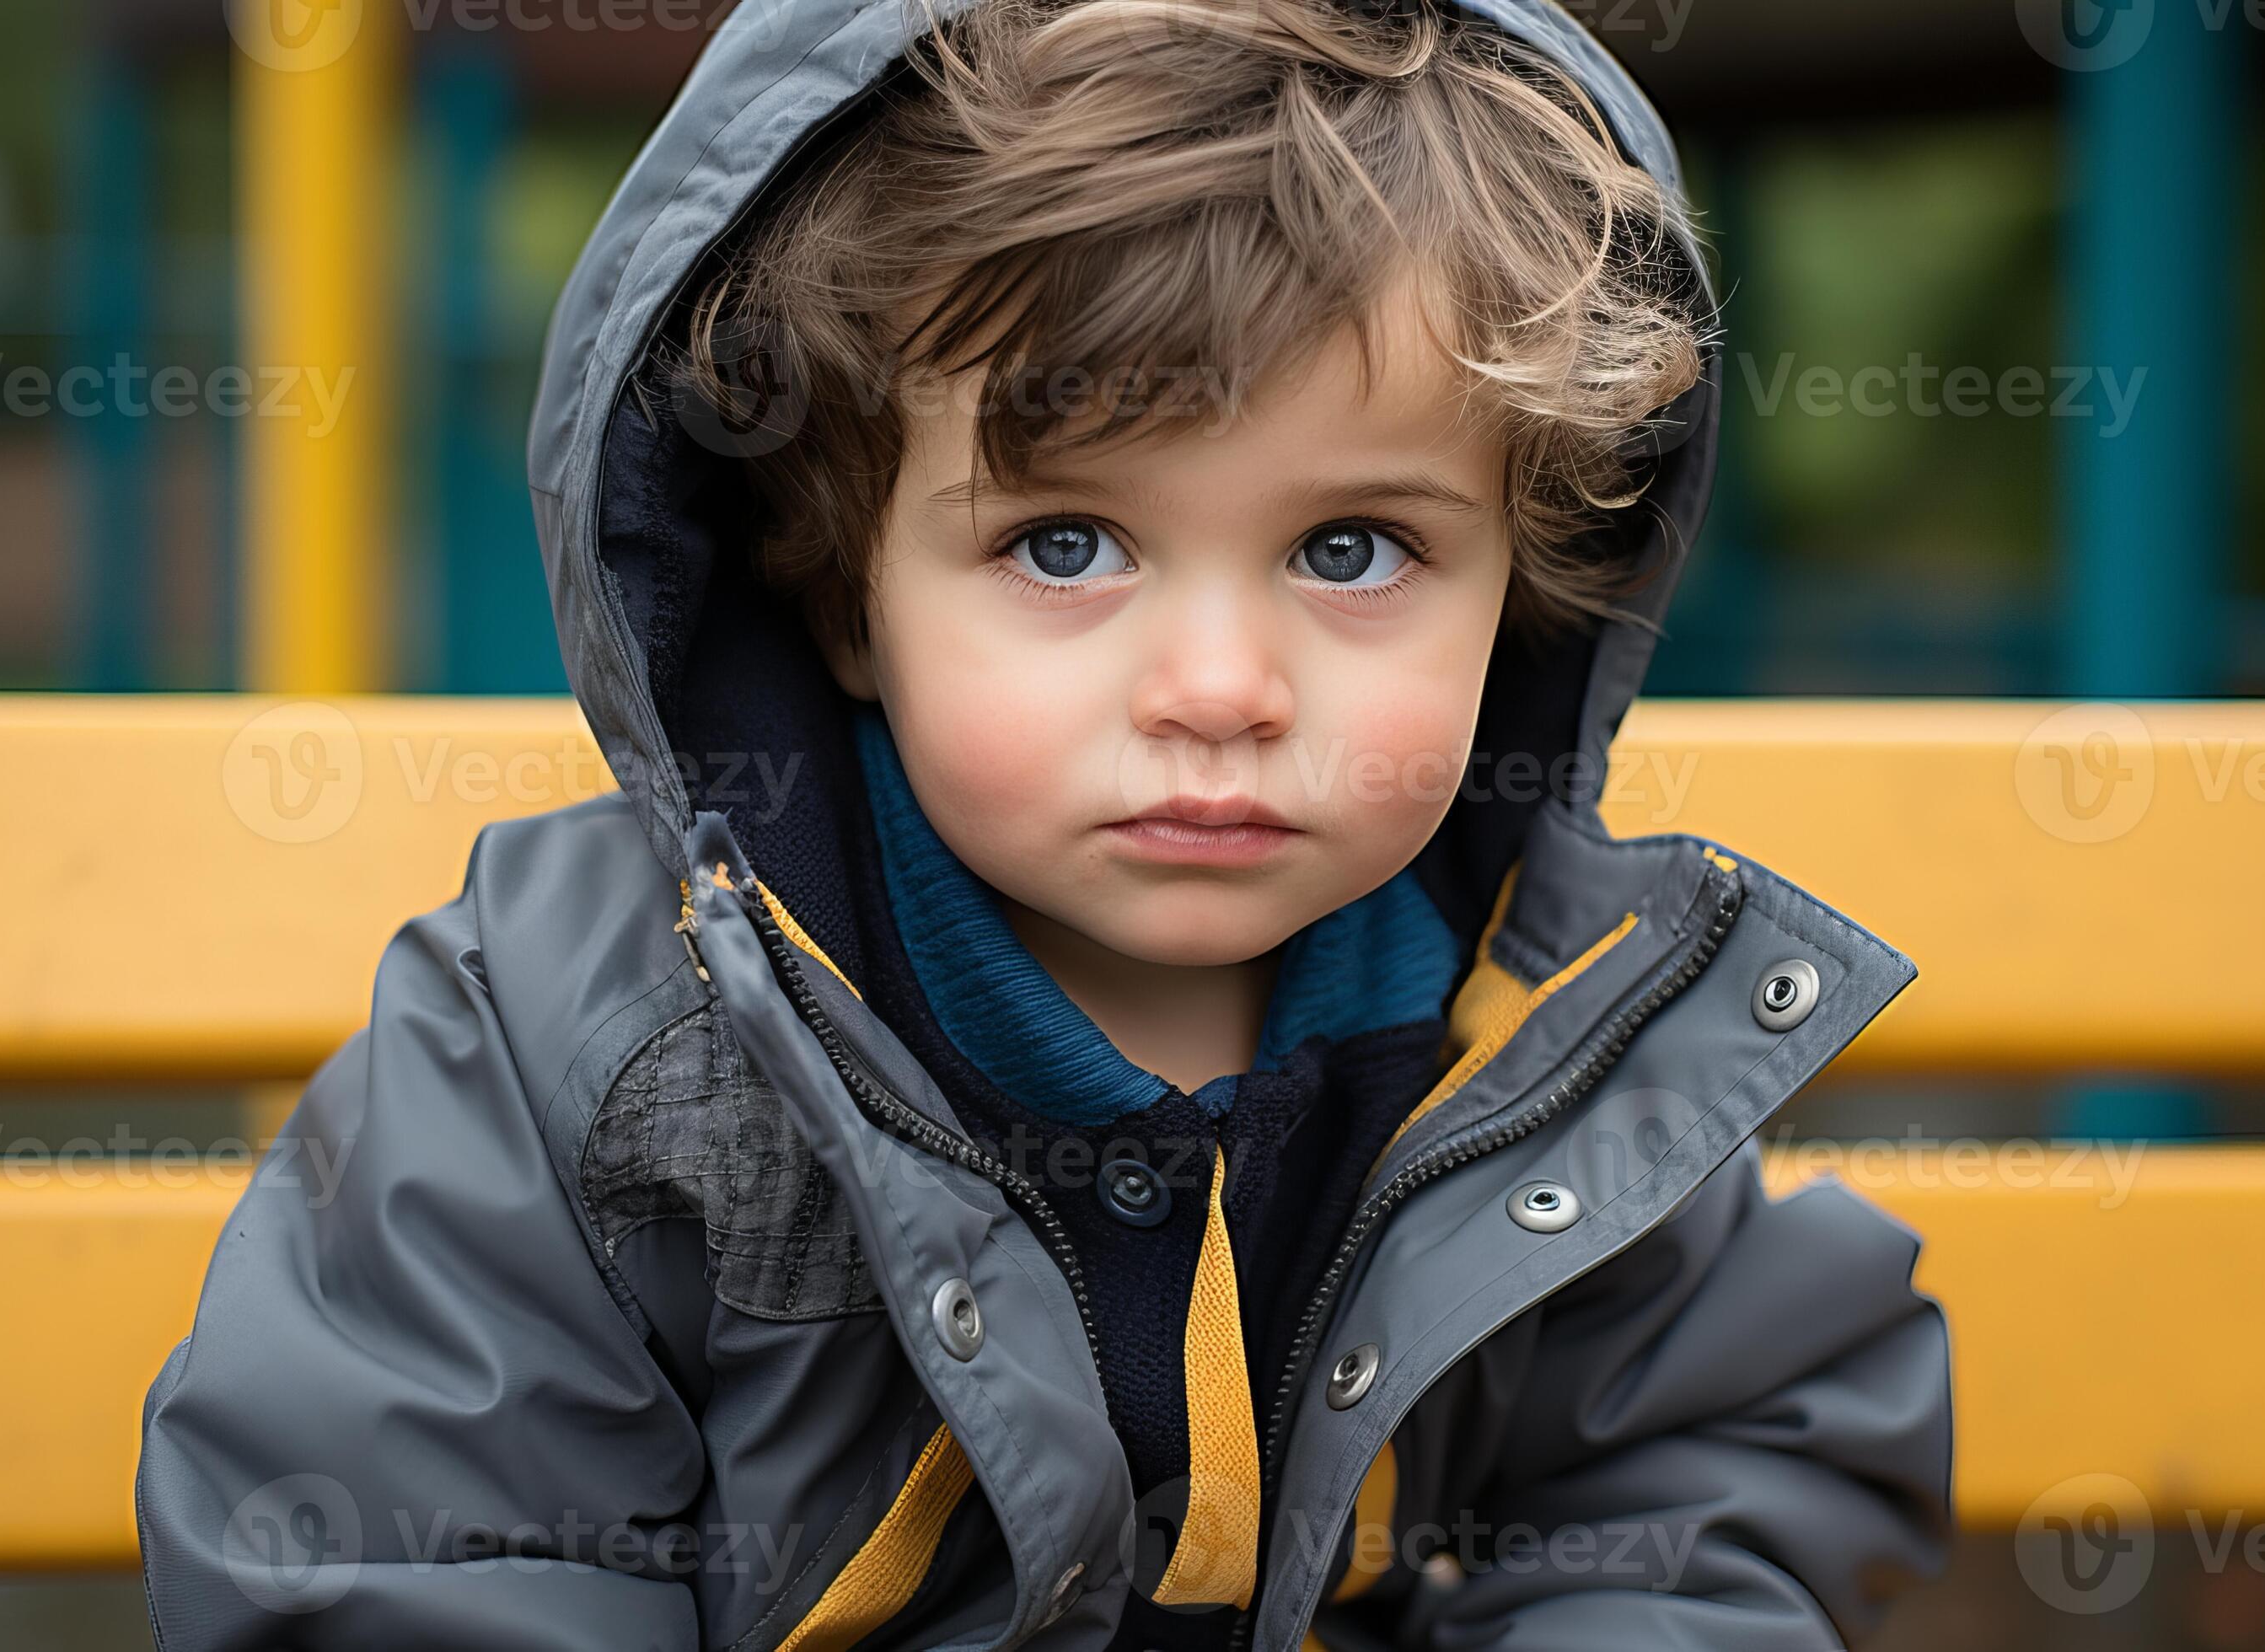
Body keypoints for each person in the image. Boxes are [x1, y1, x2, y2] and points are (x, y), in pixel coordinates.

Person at [137, 1, 1952, 1646]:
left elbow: (1718, 1490)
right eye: (1066, 544)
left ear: (1523, 589)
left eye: (1353, 549)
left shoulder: (1554, 1027)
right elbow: (406, 1554)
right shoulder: (574, 1038)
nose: (1225, 683)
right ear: (851, 596)